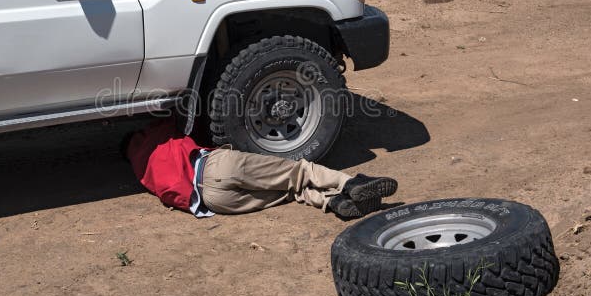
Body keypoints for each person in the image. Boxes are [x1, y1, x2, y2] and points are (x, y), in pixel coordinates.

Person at [123, 119, 397, 219]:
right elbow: (183, 121)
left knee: (290, 193)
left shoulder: (144, 175)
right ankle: (350, 184)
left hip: (215, 201)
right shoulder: (152, 139)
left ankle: (334, 202)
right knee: (298, 172)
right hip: (216, 166)